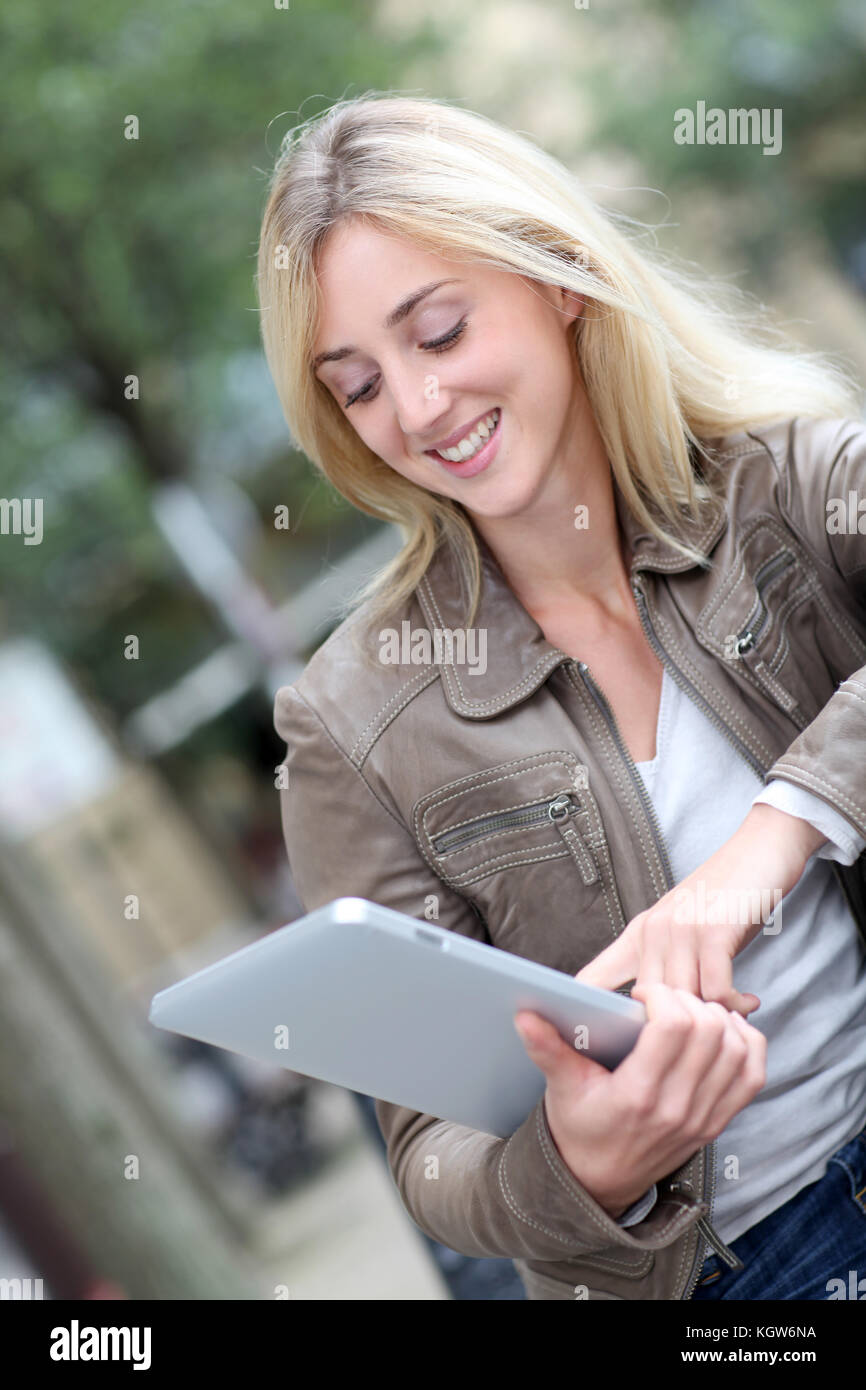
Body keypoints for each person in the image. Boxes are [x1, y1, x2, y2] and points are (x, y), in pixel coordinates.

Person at [255, 92, 866, 1300]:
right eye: (357, 384)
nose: (417, 411)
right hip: (737, 1280)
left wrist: (773, 834)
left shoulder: (787, 482)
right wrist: (576, 1164)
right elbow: (430, 1155)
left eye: (437, 332)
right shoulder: (350, 723)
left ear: (561, 277)